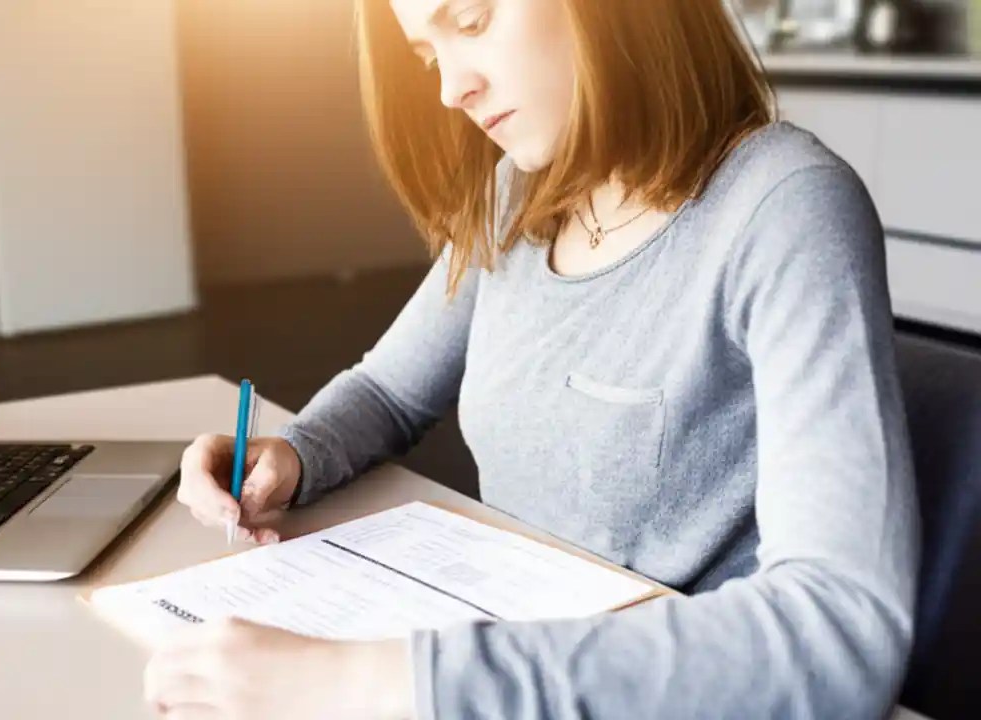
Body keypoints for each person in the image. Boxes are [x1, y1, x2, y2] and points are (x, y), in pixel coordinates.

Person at [143, 0, 920, 717]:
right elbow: (387, 391)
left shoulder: (786, 207)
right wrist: (295, 454)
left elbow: (841, 625)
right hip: (511, 648)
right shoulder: (517, 194)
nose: (451, 89)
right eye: (427, 55)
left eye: (473, 22)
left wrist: (372, 680)